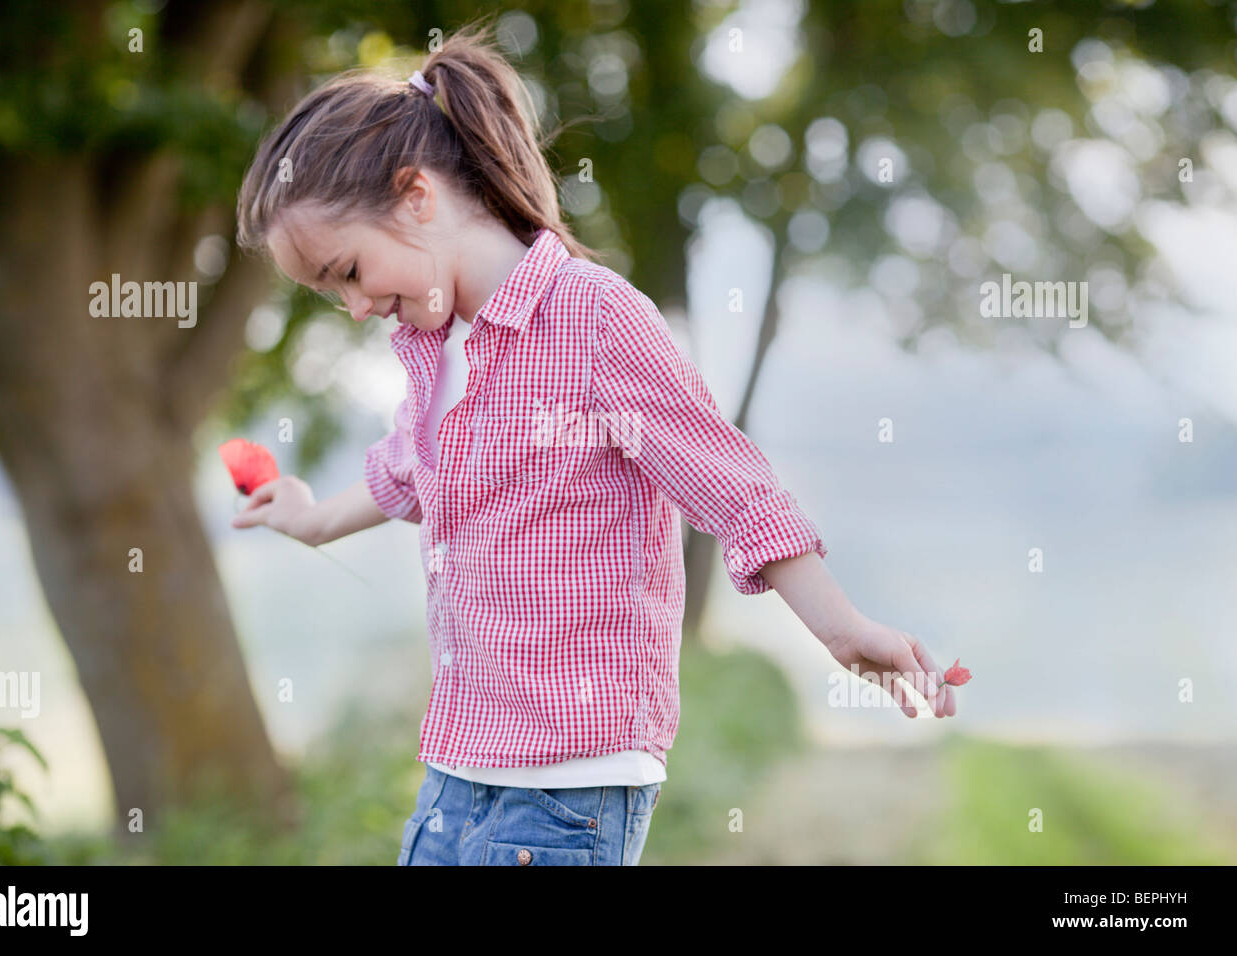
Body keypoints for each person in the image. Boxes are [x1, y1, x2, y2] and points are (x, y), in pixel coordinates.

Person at [230, 19, 957, 866]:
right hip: (457, 773)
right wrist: (312, 519)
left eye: (348, 272)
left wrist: (841, 630)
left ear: (416, 196)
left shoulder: (592, 320)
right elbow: (409, 476)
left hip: (568, 785)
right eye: (329, 294)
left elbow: (733, 487)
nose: (354, 308)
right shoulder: (437, 350)